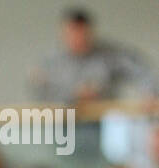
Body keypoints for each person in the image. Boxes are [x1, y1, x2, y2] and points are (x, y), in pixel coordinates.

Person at [29, 9, 159, 106]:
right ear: (63, 33)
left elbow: (141, 71)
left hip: (103, 122)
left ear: (90, 33)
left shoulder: (109, 55)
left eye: (81, 34)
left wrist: (150, 92)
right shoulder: (51, 62)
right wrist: (74, 94)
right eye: (72, 34)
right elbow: (40, 92)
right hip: (65, 125)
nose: (77, 39)